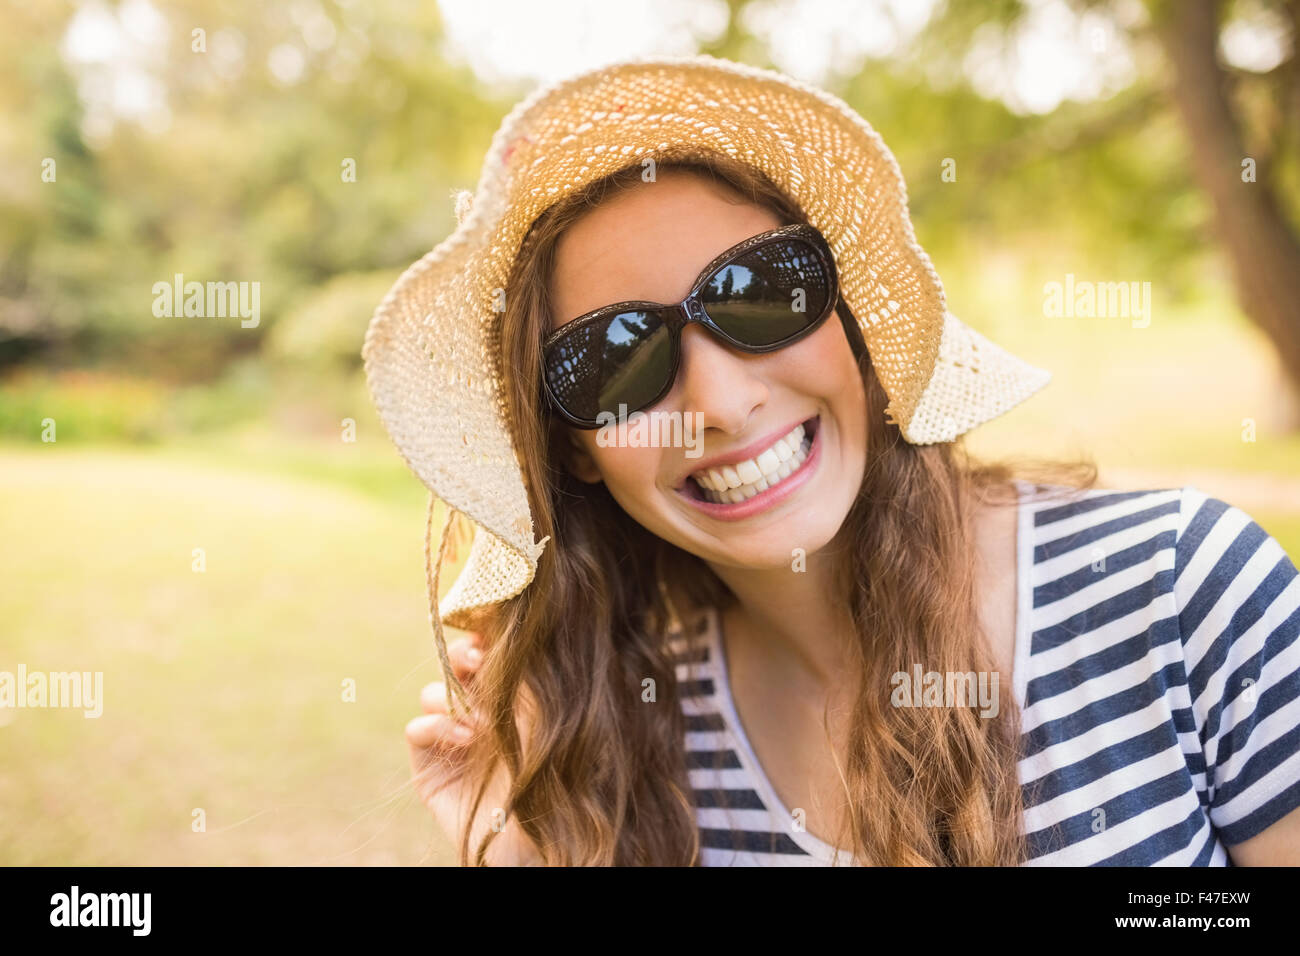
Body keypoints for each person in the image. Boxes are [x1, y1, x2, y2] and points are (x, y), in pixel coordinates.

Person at [365, 55, 1300, 866]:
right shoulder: (642, 739)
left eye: (764, 291)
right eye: (617, 358)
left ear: (851, 326)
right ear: (573, 448)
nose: (723, 406)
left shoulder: (1179, 591)